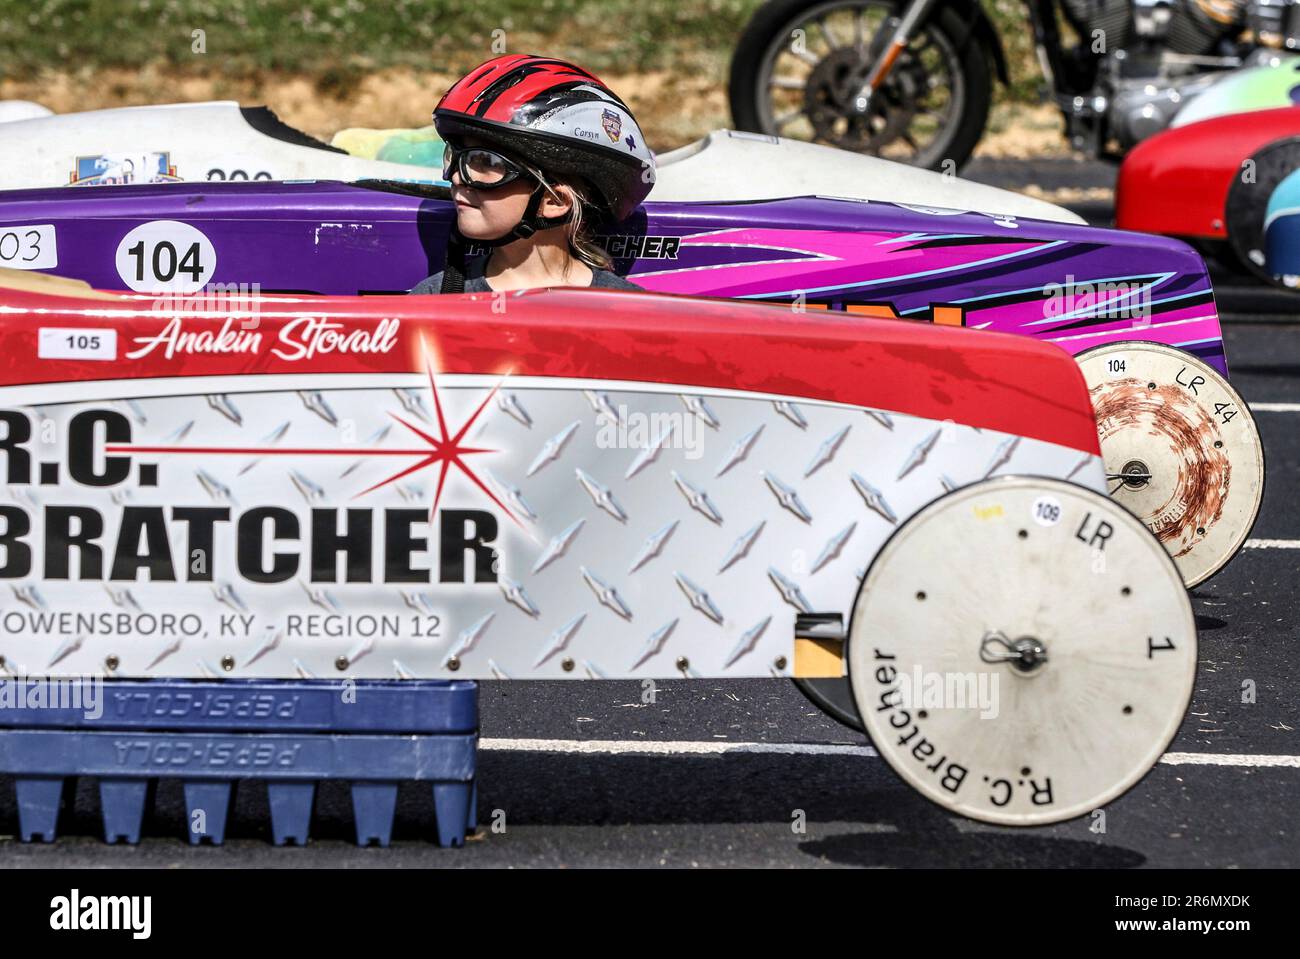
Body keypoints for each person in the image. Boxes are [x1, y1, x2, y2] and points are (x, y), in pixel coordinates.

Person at [410, 55, 656, 294]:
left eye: (486, 161)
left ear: (555, 202)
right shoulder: (435, 297)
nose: (456, 177)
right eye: (455, 155)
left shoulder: (629, 312)